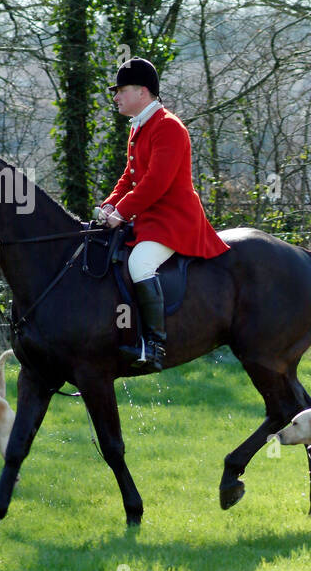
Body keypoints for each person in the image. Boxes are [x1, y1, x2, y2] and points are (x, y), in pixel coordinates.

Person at [98, 57, 229, 373]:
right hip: (148, 219)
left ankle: (155, 346)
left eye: (121, 90)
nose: (115, 97)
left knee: (139, 263)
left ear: (142, 92)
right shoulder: (140, 127)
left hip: (174, 221)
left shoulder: (168, 126)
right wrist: (108, 206)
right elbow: (129, 177)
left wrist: (123, 211)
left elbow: (156, 182)